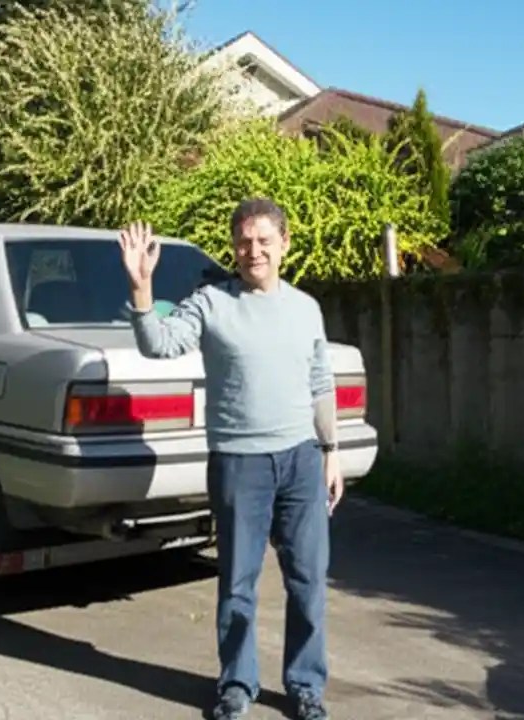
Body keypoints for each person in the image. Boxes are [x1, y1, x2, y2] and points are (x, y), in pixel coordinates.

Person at [120, 198, 343, 720]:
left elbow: (320, 382)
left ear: (285, 243)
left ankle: (305, 685)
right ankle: (238, 685)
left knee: (309, 580)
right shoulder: (211, 303)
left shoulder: (306, 307)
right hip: (240, 463)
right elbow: (159, 345)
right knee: (238, 583)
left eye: (264, 240)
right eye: (244, 241)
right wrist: (141, 287)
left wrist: (330, 453)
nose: (253, 251)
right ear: (234, 247)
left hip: (302, 461)